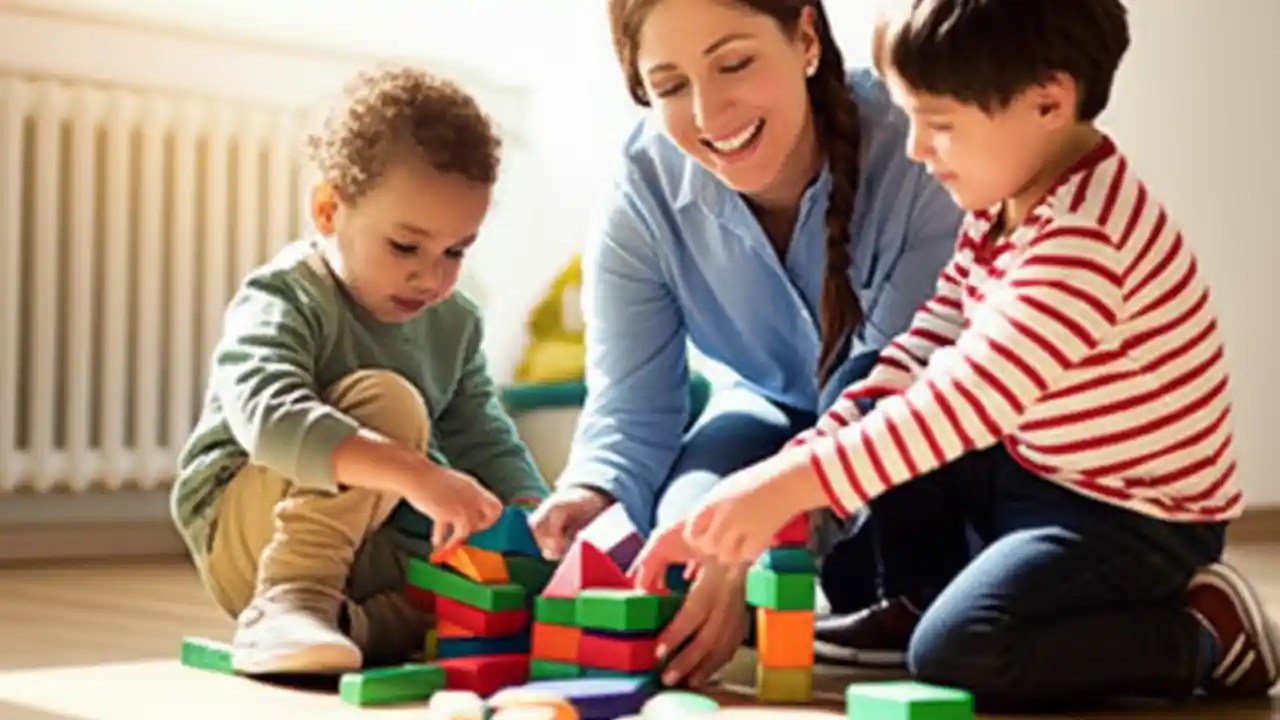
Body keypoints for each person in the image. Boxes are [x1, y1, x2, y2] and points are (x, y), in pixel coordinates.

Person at [631, 0, 1280, 708]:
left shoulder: (1081, 249)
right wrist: (794, 465)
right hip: (1035, 464)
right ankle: (917, 594)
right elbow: (927, 347)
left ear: (1048, 101)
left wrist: (781, 490)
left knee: (963, 649)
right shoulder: (1007, 201)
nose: (914, 149)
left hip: (1128, 516)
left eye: (938, 125)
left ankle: (1202, 634)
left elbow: (954, 409)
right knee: (868, 378)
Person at [527, 0, 963, 687]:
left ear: (807, 39)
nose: (707, 113)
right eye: (670, 86)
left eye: (734, 64)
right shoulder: (641, 190)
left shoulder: (919, 150)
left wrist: (758, 539)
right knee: (685, 533)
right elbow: (631, 409)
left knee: (880, 574)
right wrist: (593, 494)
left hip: (911, 434)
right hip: (764, 408)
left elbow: (889, 402)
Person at [170, 65, 549, 675]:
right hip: (253, 531)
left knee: (475, 576)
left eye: (456, 251)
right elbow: (268, 417)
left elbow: (482, 434)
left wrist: (532, 511)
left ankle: (352, 628)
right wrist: (417, 475)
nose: (432, 276)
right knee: (392, 405)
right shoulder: (287, 297)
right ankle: (290, 603)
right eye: (405, 247)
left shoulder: (453, 324)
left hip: (369, 547)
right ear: (328, 210)